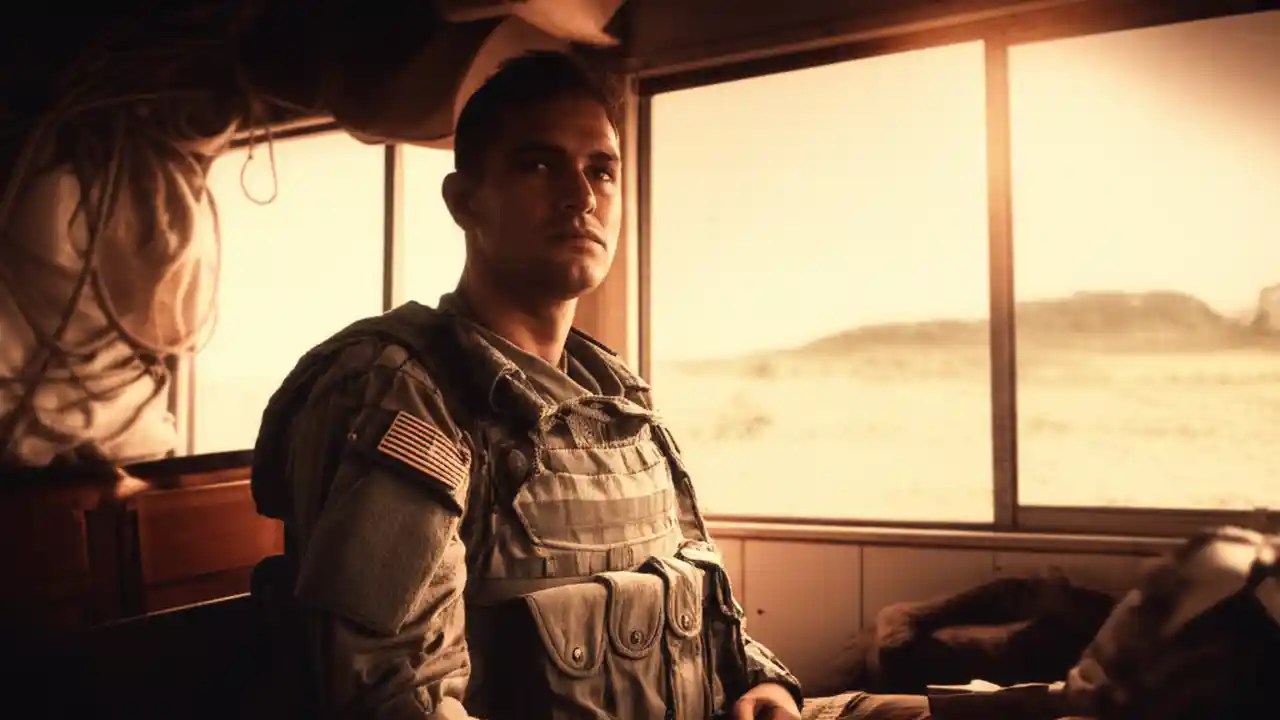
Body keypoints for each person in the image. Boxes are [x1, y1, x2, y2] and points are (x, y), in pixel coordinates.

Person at [249, 50, 932, 720]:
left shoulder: (617, 394)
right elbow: (393, 694)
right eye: (538, 164)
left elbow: (699, 610)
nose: (580, 196)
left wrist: (767, 687)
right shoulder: (403, 390)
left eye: (601, 171)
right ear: (465, 202)